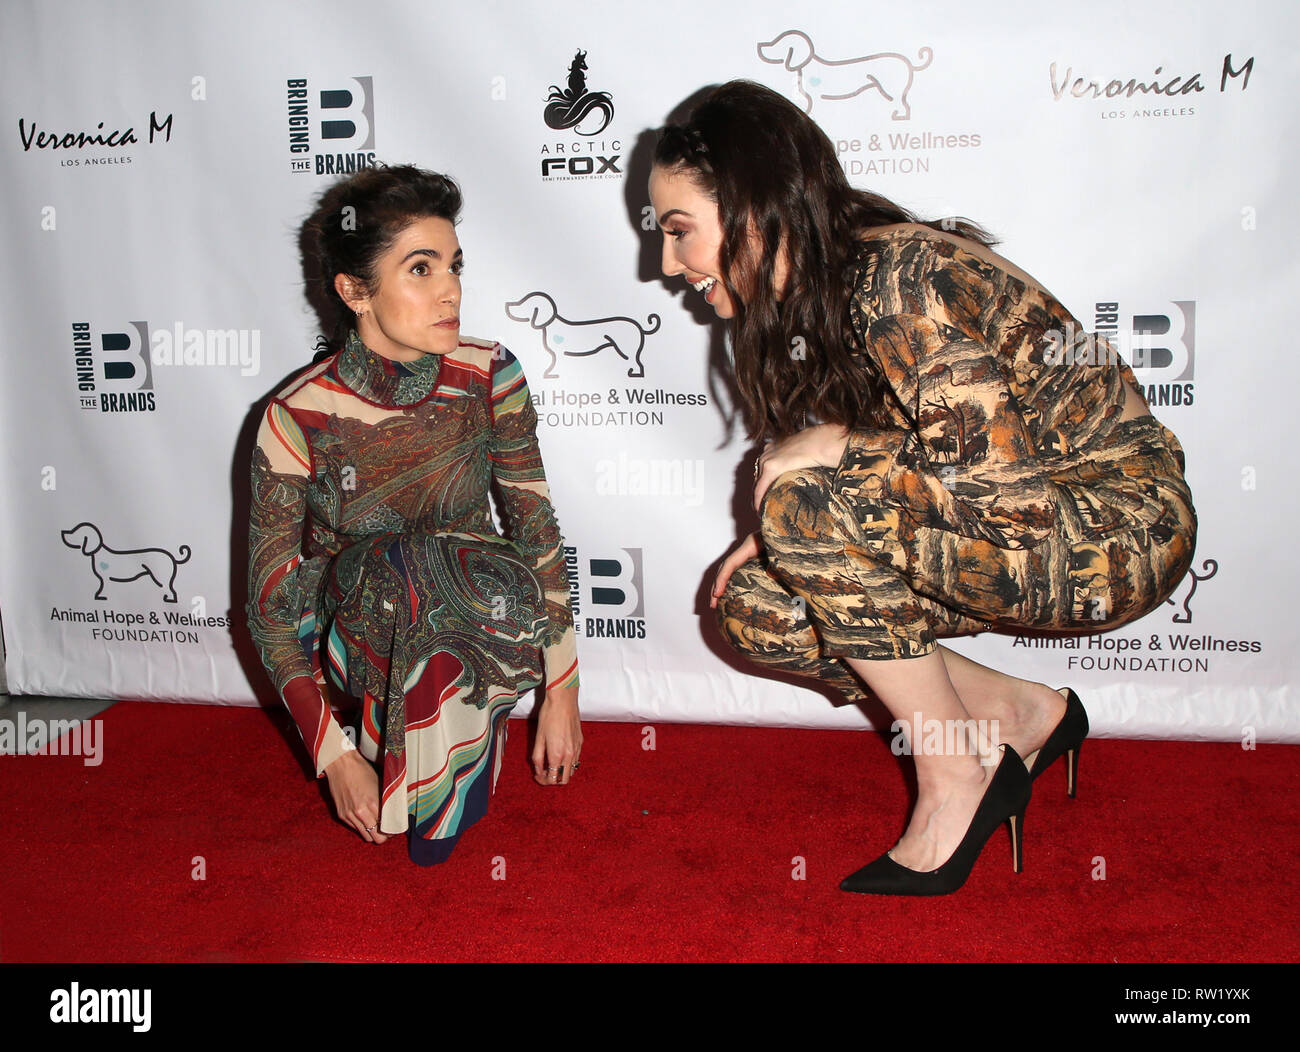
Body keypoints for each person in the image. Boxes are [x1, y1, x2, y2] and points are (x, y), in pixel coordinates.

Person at [648, 81, 1195, 895]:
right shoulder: (815, 300)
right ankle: (1020, 713)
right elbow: (899, 478)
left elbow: (1009, 507)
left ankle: (956, 783)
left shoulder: (901, 278)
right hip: (1025, 531)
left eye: (679, 231)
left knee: (800, 510)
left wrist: (835, 451)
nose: (666, 264)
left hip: (1121, 532)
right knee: (758, 608)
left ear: (756, 209)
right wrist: (782, 525)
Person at [246, 165, 582, 865]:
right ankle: (404, 750)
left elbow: (536, 529)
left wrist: (563, 691)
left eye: (453, 265)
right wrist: (332, 756)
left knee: (448, 559)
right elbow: (273, 609)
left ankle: (452, 748)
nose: (451, 288)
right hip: (368, 633)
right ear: (355, 291)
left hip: (478, 622)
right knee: (402, 562)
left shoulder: (492, 375)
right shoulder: (296, 415)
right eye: (421, 269)